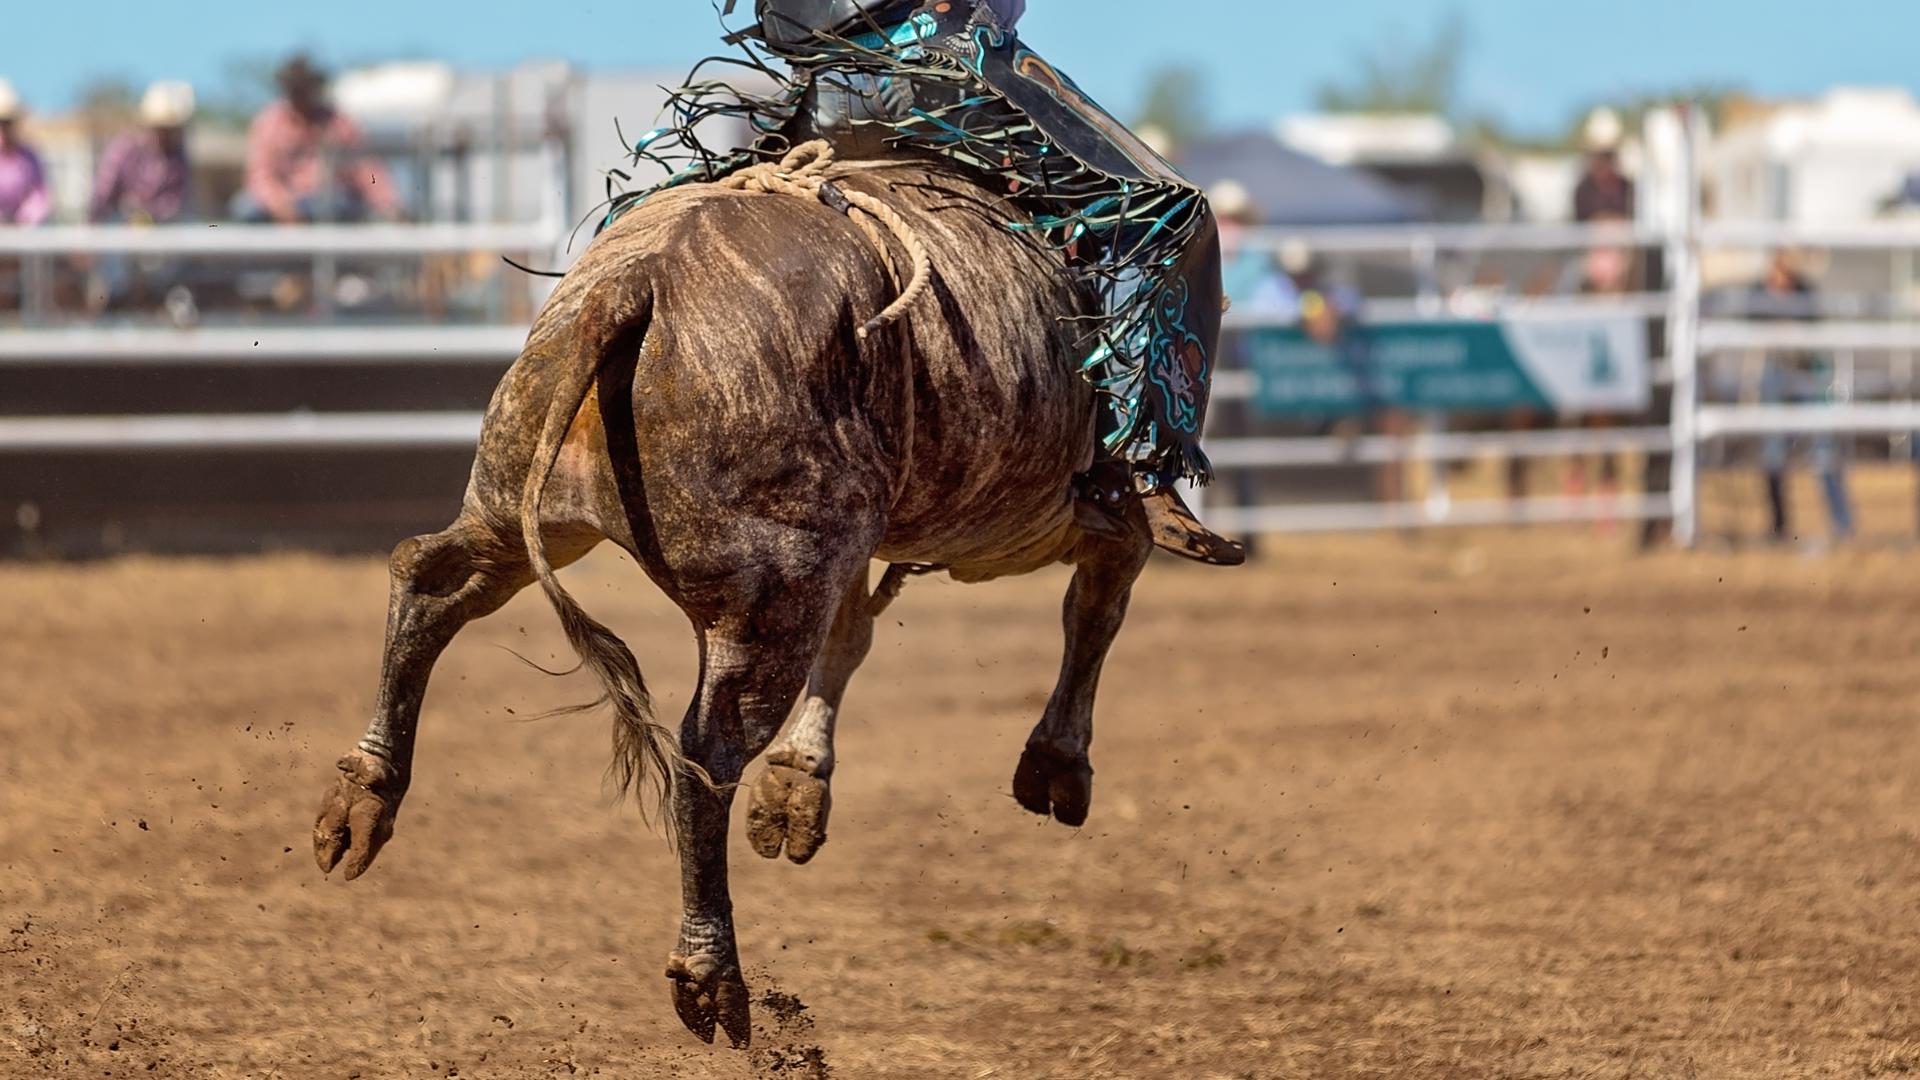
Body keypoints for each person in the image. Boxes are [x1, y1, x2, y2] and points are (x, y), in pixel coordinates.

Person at [608, 0, 1241, 563]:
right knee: (1168, 212)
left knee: (658, 216)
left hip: (816, 96)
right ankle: (1134, 467)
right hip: (946, 78)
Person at [1753, 250, 1853, 546]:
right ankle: (1779, 524)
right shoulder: (1759, 293)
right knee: (1772, 452)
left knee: (1823, 448)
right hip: (1776, 374)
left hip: (1805, 373)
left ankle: (1842, 522)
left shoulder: (1805, 292)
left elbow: (1815, 332)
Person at [234, 55, 397, 224]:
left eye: (304, 87)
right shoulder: (269, 123)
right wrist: (280, 205)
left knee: (340, 206)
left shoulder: (339, 123)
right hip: (284, 201)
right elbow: (260, 175)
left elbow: (368, 170)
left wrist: (388, 203)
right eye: (295, 88)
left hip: (332, 200)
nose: (300, 94)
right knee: (245, 208)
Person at [88, 81, 199, 315]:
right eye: (161, 127)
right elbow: (103, 193)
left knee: (185, 230)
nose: (166, 133)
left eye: (171, 127)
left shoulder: (179, 155)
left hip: (162, 223)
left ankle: (168, 294)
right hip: (122, 219)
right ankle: (116, 298)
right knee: (113, 231)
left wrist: (149, 216)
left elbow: (177, 200)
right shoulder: (125, 148)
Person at [0, 79, 52, 226]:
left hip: (24, 235)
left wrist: (23, 219)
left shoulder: (29, 157)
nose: (3, 129)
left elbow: (40, 196)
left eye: (6, 122)